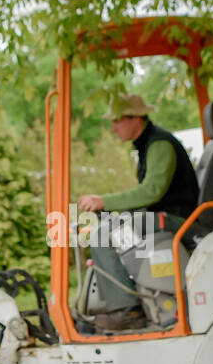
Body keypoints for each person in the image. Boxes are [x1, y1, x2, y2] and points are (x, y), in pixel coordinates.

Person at [77, 93, 201, 331]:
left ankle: (126, 311)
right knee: (108, 230)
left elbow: (151, 192)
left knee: (103, 235)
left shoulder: (160, 144)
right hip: (163, 218)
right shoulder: (148, 145)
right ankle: (131, 301)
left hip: (177, 220)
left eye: (117, 120)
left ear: (136, 118)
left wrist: (103, 201)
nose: (113, 127)